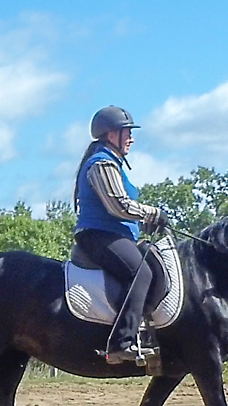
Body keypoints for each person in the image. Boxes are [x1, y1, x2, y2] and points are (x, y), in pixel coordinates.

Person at [73, 106, 169, 363]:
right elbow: (119, 205)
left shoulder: (112, 162)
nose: (131, 138)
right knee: (142, 273)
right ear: (110, 135)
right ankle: (120, 343)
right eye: (126, 132)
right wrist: (152, 213)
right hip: (100, 235)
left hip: (113, 234)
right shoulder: (102, 163)